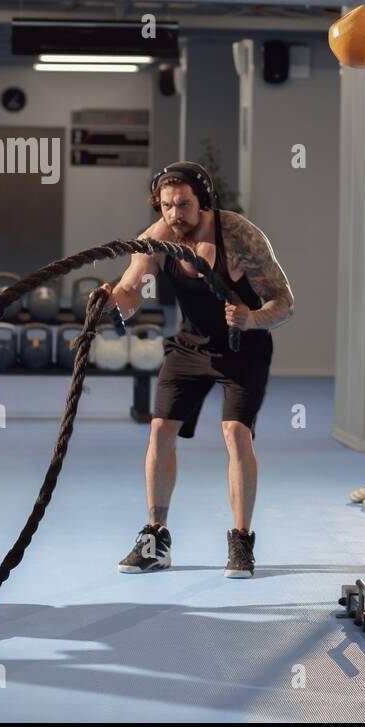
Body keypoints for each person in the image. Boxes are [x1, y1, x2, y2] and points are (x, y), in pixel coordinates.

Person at [105, 162, 295, 579]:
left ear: (203, 201)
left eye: (183, 205)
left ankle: (241, 540)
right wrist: (110, 302)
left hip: (243, 346)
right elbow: (131, 292)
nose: (174, 214)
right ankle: (156, 538)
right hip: (189, 345)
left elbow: (284, 303)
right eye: (167, 205)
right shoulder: (157, 238)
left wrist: (251, 318)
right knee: (159, 429)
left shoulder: (239, 236)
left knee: (235, 432)